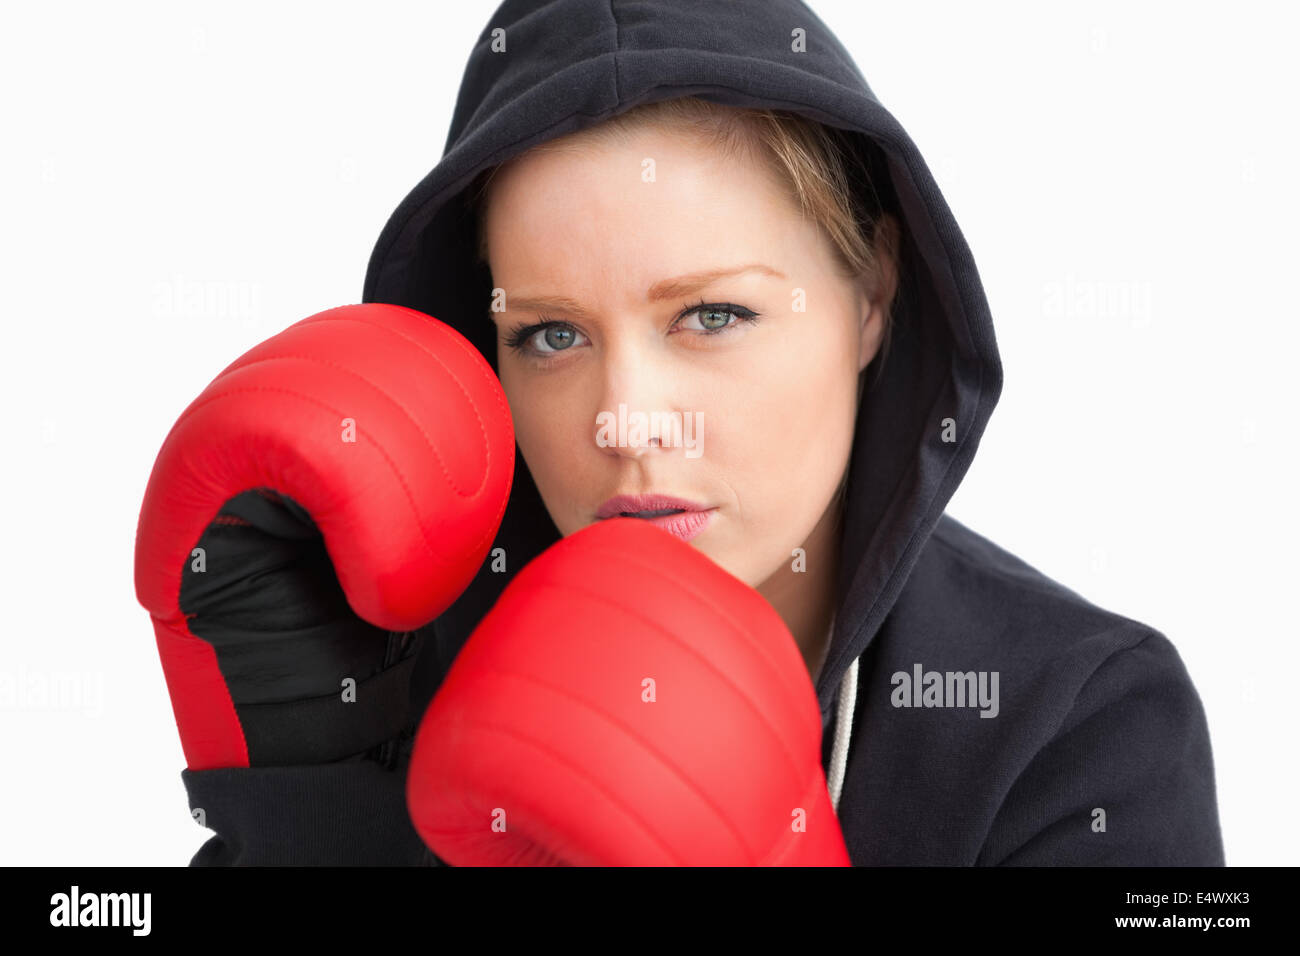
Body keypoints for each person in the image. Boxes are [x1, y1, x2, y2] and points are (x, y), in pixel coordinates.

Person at [174, 0, 1225, 865]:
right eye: (548, 332)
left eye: (712, 315)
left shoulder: (1081, 722)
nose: (625, 420)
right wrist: (314, 810)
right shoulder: (398, 675)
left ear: (871, 294)